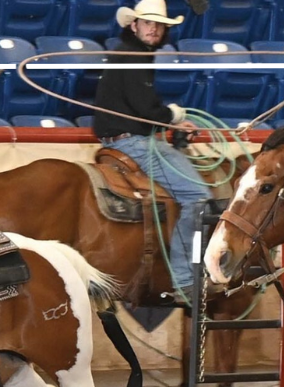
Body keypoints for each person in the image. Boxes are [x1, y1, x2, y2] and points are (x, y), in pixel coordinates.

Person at [93, 0, 208, 304]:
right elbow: (146, 108)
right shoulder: (132, 57)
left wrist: (171, 120)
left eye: (159, 24)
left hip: (128, 139)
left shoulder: (132, 55)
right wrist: (174, 116)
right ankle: (185, 279)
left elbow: (141, 109)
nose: (154, 28)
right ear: (135, 25)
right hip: (133, 143)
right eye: (148, 23)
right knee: (197, 193)